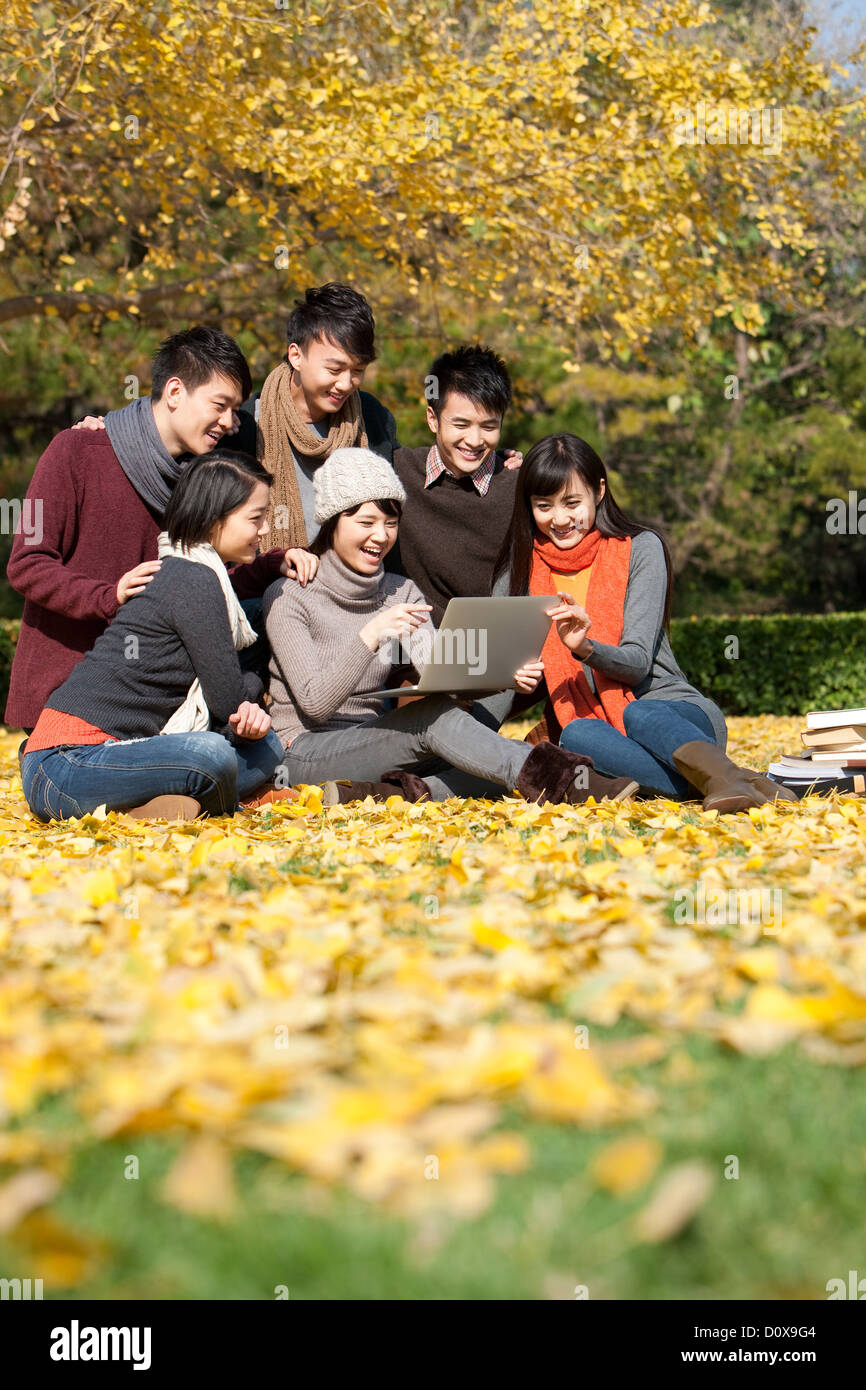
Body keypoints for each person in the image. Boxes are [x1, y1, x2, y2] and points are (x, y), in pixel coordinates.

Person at [260, 447, 638, 806]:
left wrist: (504, 676)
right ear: (332, 521)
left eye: (391, 523)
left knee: (473, 747)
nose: (381, 535)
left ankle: (380, 794)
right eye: (366, 522)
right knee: (438, 723)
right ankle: (568, 782)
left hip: (375, 740)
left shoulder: (399, 591)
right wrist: (372, 634)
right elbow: (316, 704)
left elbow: (444, 678)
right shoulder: (289, 596)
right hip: (304, 752)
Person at [6, 327, 309, 734]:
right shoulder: (74, 451)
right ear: (174, 392)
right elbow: (26, 564)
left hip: (154, 703)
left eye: (235, 410)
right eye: (220, 406)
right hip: (68, 703)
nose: (229, 422)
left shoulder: (201, 478)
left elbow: (213, 582)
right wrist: (107, 596)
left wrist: (275, 562)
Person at [493, 433, 798, 812]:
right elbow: (498, 658)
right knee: (574, 734)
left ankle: (721, 776)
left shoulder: (640, 548)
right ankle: (733, 780)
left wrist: (585, 648)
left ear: (599, 491)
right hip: (596, 727)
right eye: (544, 506)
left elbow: (636, 663)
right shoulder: (519, 571)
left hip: (672, 714)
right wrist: (513, 674)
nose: (560, 519)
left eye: (572, 502)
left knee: (638, 712)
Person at [19, 451, 295, 823]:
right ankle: (195, 799)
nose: (264, 530)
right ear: (213, 519)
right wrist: (246, 697)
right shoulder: (193, 578)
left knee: (266, 747)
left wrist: (244, 709)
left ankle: (149, 808)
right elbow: (227, 703)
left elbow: (228, 703)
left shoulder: (198, 574)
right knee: (211, 754)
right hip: (65, 762)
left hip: (116, 755)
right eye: (256, 518)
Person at [231, 283, 399, 548]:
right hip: (266, 584)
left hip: (354, 584)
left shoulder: (372, 419)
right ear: (296, 356)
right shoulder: (248, 426)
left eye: (357, 370)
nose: (345, 383)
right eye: (334, 369)